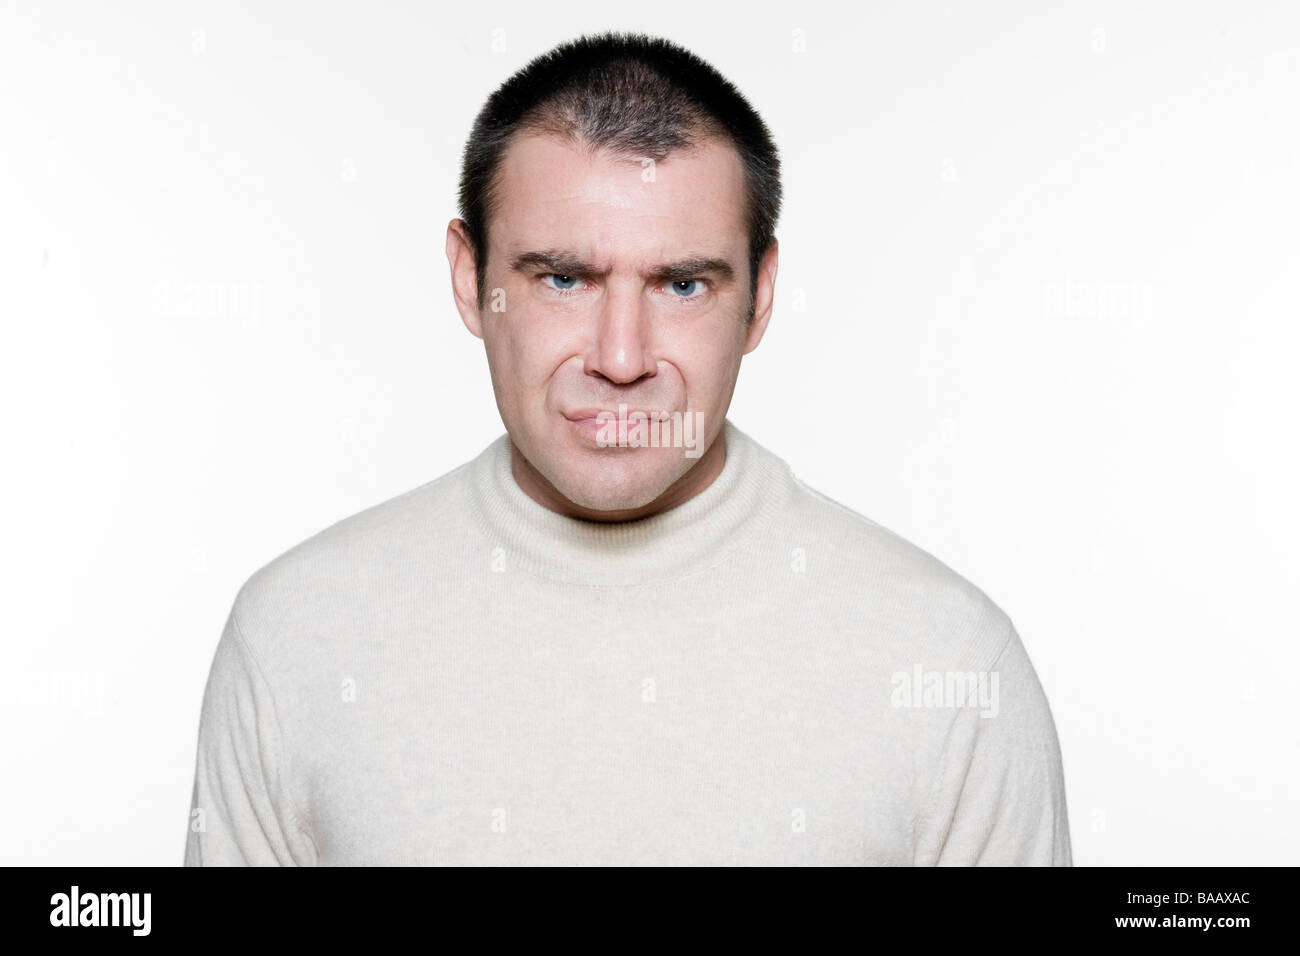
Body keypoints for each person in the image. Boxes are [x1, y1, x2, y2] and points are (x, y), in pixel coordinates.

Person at [184, 30, 1072, 866]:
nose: (620, 359)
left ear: (760, 297)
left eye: (683, 285)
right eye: (563, 279)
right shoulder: (296, 635)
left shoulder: (950, 663)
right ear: (471, 278)